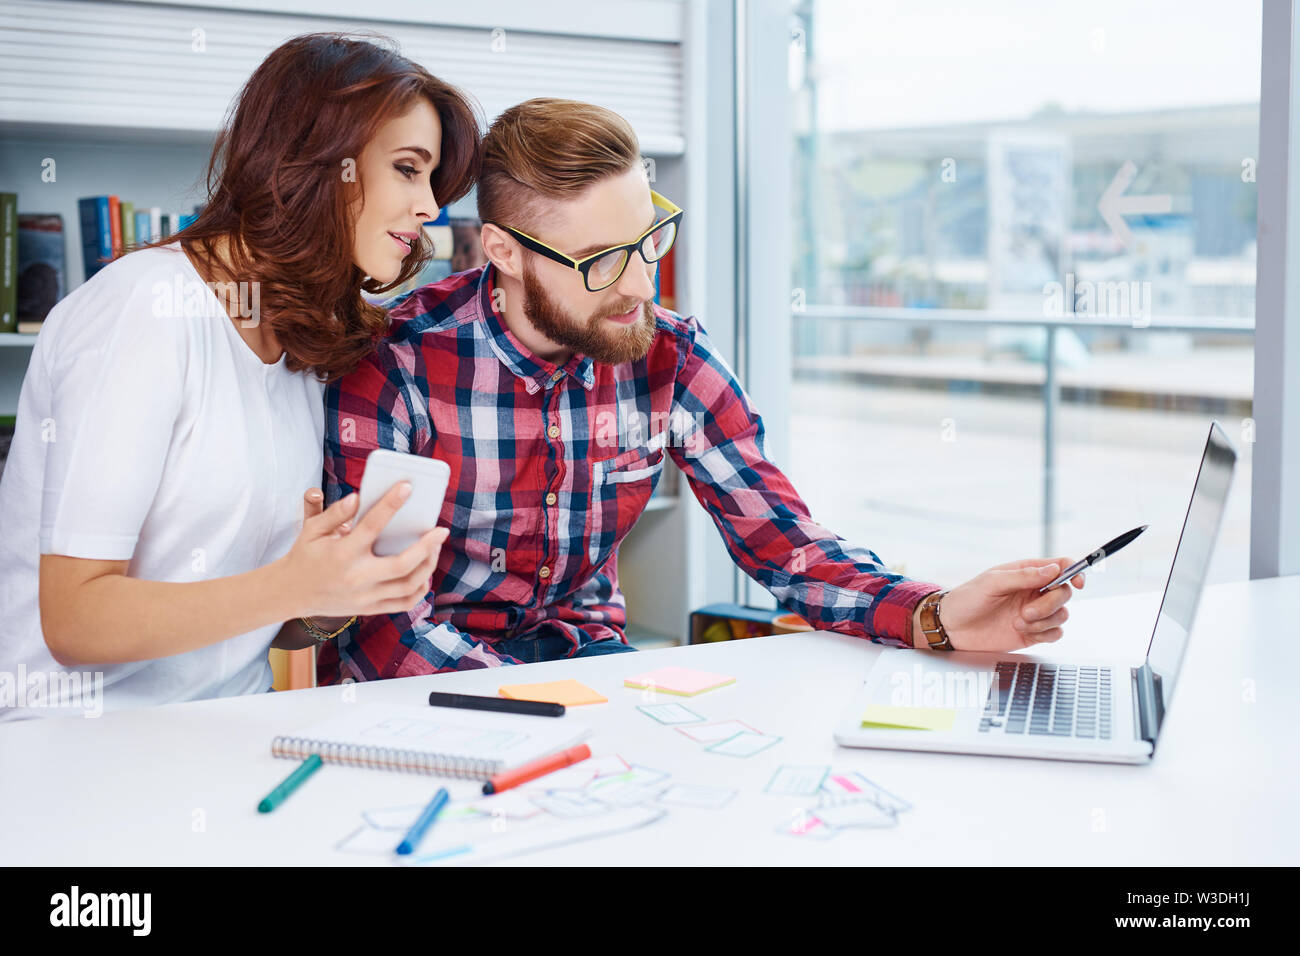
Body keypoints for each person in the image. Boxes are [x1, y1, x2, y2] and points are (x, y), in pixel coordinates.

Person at [318, 97, 1085, 682]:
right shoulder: (399, 363)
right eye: (601, 260)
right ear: (504, 252)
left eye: (647, 241)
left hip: (589, 668)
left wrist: (934, 617)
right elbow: (380, 621)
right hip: (425, 688)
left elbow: (784, 544)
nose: (640, 286)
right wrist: (540, 705)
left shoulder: (670, 353)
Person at [0, 33, 482, 719]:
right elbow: (75, 621)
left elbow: (258, 621)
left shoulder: (298, 343)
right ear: (319, 160)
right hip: (74, 739)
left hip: (233, 726)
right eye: (408, 169)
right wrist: (291, 585)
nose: (430, 206)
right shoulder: (146, 309)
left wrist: (331, 595)